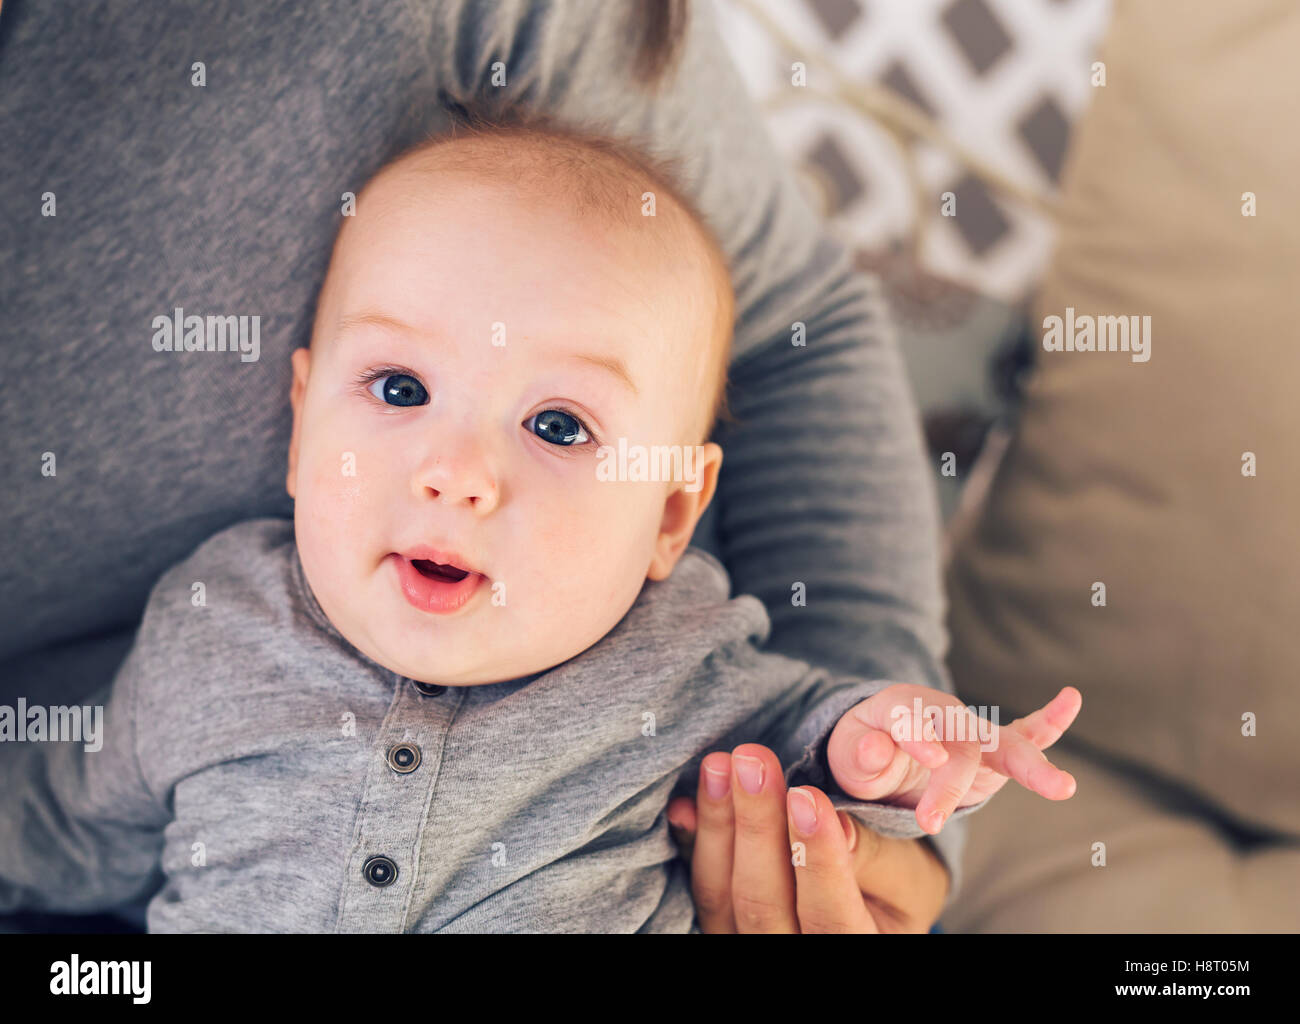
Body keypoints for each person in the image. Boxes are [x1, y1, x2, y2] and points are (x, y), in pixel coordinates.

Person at [0, 0, 1017, 931]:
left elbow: (822, 727)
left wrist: (894, 751)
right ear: (300, 423)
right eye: (400, 390)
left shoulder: (681, 669)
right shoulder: (209, 631)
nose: (457, 474)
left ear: (671, 514)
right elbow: (71, 817)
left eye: (560, 426)